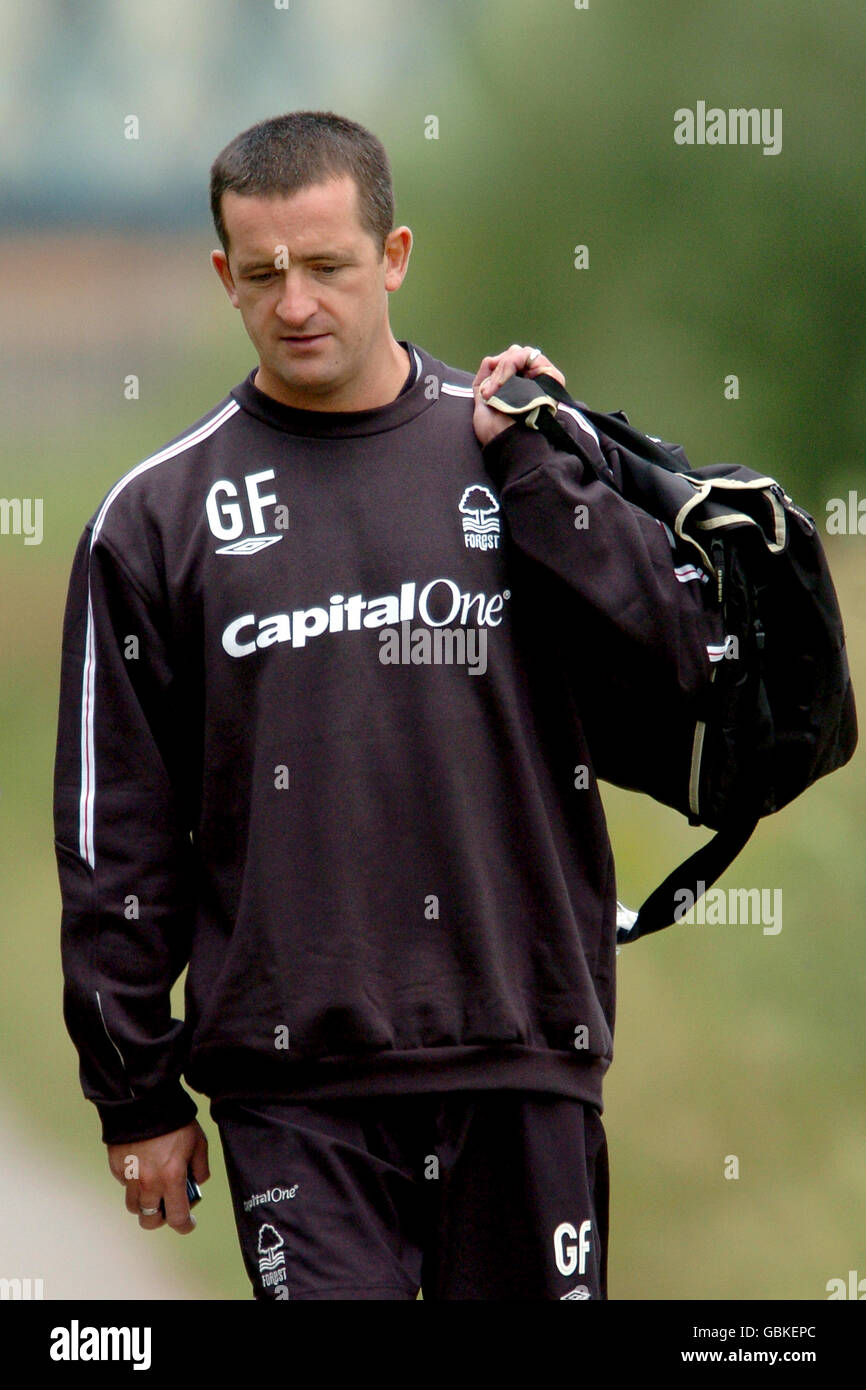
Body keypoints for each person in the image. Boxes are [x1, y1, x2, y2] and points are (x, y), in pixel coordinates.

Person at [54, 110, 724, 1300]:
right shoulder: (154, 519)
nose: (295, 301)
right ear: (224, 274)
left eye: (327, 266)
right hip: (291, 1084)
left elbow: (681, 671)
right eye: (261, 273)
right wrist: (135, 1093)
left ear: (394, 255)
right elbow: (117, 841)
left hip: (523, 1043)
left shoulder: (511, 446)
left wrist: (556, 479)